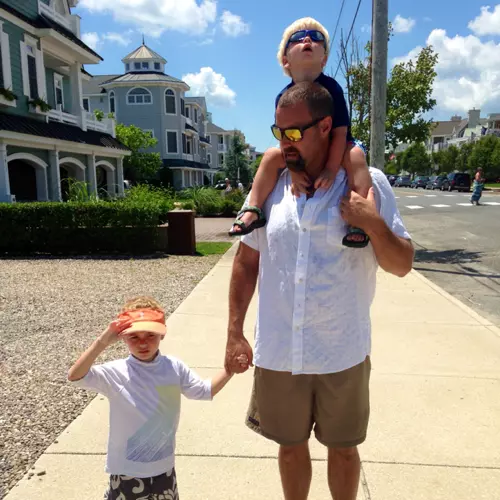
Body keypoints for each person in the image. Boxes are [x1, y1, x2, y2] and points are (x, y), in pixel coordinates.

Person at [225, 82, 414, 500]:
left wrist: (373, 223)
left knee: (344, 452)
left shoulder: (368, 183)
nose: (285, 143)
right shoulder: (270, 184)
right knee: (290, 450)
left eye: (295, 132)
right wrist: (234, 330)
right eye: (279, 132)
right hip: (279, 350)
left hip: (341, 351)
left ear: (327, 125)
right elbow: (247, 260)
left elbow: (401, 264)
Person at [68, 296, 244, 500]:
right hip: (127, 471)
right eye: (134, 337)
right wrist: (102, 342)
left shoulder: (173, 368)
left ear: (162, 335)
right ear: (122, 338)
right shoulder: (116, 372)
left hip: (164, 469)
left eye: (150, 335)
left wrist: (228, 371)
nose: (143, 343)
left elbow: (204, 391)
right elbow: (75, 376)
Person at [229, 17, 372, 248]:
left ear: (324, 59)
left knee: (355, 156)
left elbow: (339, 132)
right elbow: (287, 139)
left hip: (339, 147)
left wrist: (331, 168)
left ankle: (361, 219)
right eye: (297, 38)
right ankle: (252, 208)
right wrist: (295, 172)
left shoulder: (332, 89)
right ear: (286, 60)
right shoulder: (283, 97)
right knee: (270, 156)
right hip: (301, 151)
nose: (307, 39)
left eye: (316, 38)